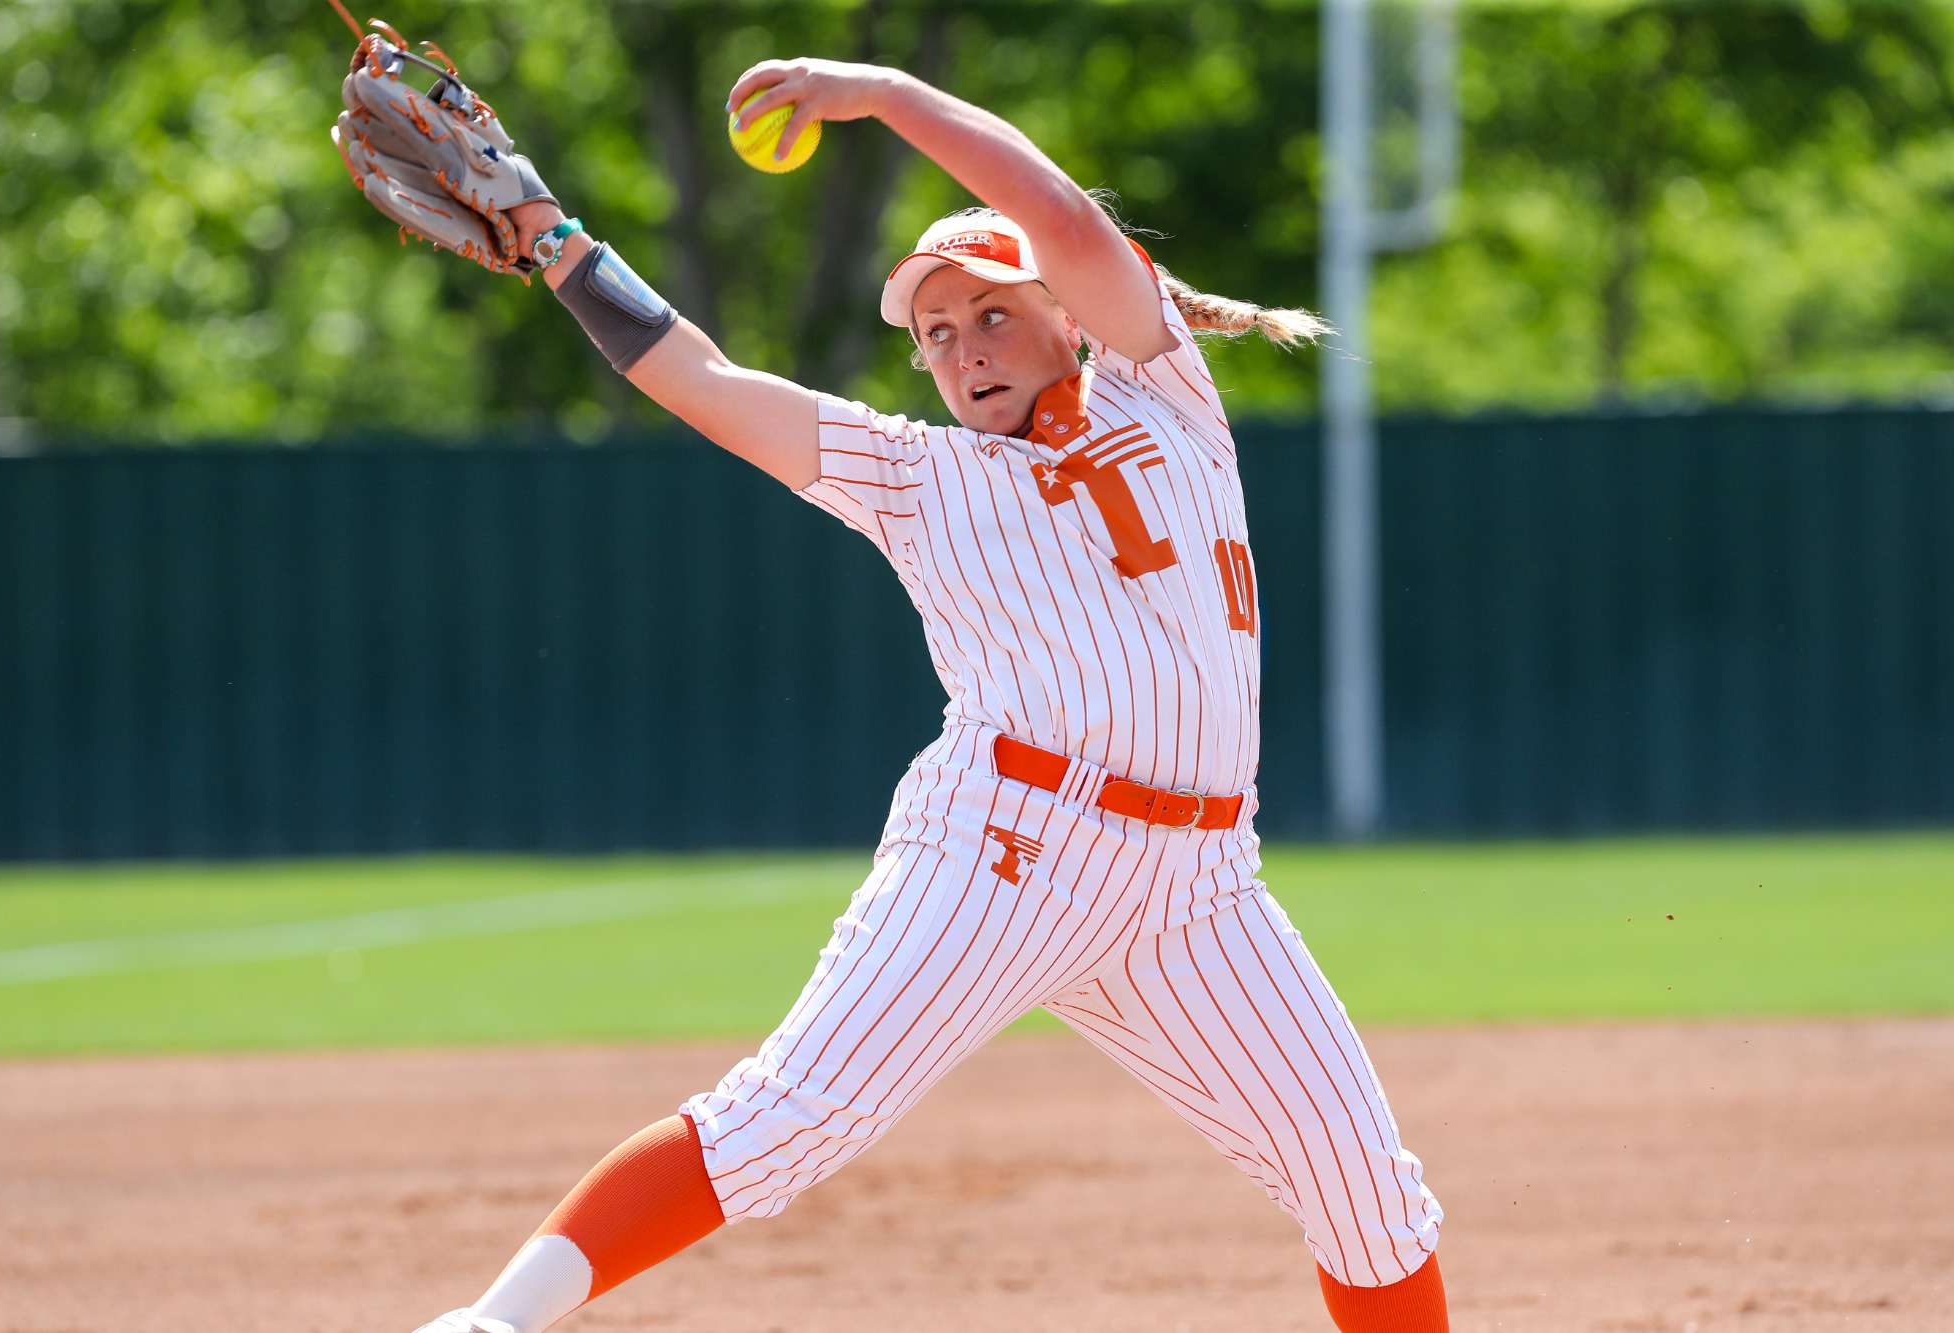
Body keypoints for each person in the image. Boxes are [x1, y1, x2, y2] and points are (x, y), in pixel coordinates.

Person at [411, 56, 1447, 1333]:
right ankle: (489, 1323)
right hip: (1011, 849)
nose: (963, 350)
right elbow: (704, 382)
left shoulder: (1162, 392)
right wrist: (557, 244)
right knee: (789, 1120)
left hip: (1199, 887)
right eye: (936, 335)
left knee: (1362, 1190)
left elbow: (1065, 222)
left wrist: (889, 96)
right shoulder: (912, 476)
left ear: (1065, 311)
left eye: (991, 312)